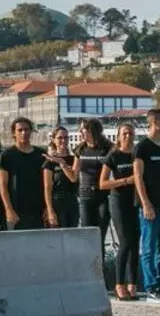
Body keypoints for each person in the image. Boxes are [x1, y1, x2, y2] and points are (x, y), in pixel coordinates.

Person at [134, 108, 160, 303]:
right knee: (149, 248)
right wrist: (145, 203)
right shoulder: (142, 147)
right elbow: (138, 177)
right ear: (155, 122)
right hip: (150, 207)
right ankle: (151, 287)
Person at [100, 124, 140, 301]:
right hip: (118, 202)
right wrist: (125, 181)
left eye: (131, 133)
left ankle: (133, 283)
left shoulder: (137, 154)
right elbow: (102, 183)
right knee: (125, 241)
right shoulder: (114, 155)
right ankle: (119, 284)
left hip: (136, 202)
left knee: (135, 242)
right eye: (124, 133)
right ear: (118, 136)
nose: (128, 136)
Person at [0, 117, 47, 230]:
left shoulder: (41, 154)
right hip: (16, 208)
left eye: (26, 129)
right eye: (20, 130)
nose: (24, 133)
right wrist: (8, 209)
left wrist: (47, 208)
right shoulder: (7, 155)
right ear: (14, 133)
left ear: (31, 131)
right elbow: (2, 185)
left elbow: (47, 183)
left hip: (38, 208)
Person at [74, 118, 112, 255]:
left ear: (92, 130)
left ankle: (100, 268)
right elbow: (74, 175)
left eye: (83, 129)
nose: (80, 131)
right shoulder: (80, 149)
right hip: (85, 195)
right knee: (87, 234)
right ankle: (88, 266)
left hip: (103, 195)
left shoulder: (108, 148)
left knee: (99, 234)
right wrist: (61, 163)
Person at [43, 127, 80, 228]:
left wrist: (62, 163)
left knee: (72, 237)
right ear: (54, 139)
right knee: (58, 238)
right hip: (57, 202)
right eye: (60, 138)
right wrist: (50, 210)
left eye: (66, 137)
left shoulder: (73, 159)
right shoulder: (49, 162)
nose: (63, 140)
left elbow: (73, 178)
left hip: (72, 202)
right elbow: (47, 188)